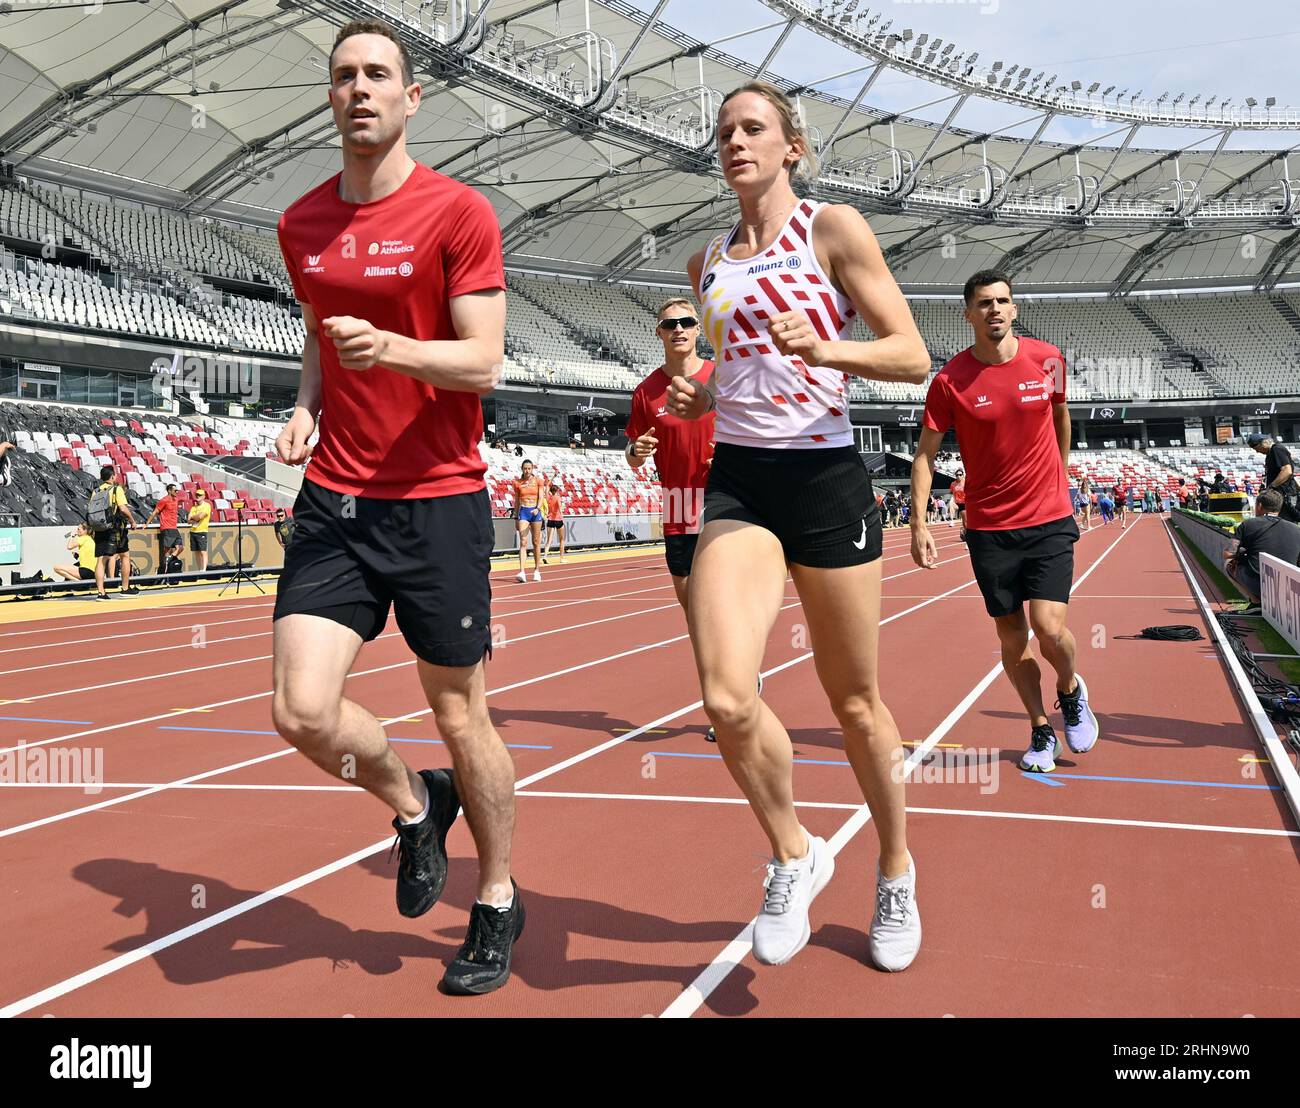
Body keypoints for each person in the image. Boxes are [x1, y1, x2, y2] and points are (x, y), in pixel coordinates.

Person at [270, 19, 522, 995]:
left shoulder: (458, 214)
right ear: (329, 98)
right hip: (334, 496)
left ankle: (495, 899)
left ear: (412, 99)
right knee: (299, 708)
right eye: (344, 76)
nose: (361, 89)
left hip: (438, 501)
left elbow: (485, 358)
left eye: (379, 74)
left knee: (462, 714)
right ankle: (418, 807)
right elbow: (315, 334)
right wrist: (304, 405)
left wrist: (397, 352)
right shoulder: (300, 224)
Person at [667, 80, 931, 971]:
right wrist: (693, 387)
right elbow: (725, 368)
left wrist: (828, 349)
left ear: (792, 148)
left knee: (855, 703)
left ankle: (894, 868)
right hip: (741, 481)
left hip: (825, 478)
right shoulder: (707, 260)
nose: (736, 141)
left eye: (754, 129)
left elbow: (911, 353)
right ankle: (793, 850)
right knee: (726, 698)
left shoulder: (832, 229)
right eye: (724, 131)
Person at [911, 269, 1100, 775]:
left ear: (1014, 309)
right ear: (969, 314)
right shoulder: (950, 380)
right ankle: (1040, 727)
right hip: (990, 529)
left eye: (1003, 301)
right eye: (985, 303)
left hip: (1049, 518)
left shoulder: (1048, 360)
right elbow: (925, 455)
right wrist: (919, 523)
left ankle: (1070, 688)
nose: (995, 309)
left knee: (1049, 627)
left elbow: (1061, 417)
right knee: (1013, 639)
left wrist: (1060, 478)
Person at [625, 297, 719, 736]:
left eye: (686, 322)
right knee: (695, 611)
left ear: (698, 329)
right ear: (659, 333)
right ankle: (727, 685)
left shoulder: (720, 377)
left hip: (724, 499)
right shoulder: (646, 392)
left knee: (723, 603)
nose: (678, 329)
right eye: (670, 324)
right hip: (678, 503)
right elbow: (632, 454)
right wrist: (635, 451)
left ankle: (727, 695)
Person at [1225, 489, 1300, 605]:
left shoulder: (1247, 524)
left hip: (1259, 584)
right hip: (1290, 586)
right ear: (1279, 508)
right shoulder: (1296, 529)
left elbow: (1227, 554)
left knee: (1229, 563)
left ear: (1259, 505)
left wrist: (1243, 553)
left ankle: (1256, 602)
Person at [1247, 433, 1300, 523]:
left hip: (1284, 494)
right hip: (1282, 494)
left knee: (1286, 522)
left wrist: (1271, 487)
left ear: (1263, 443)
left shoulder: (1277, 449)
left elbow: (1287, 471)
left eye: (1256, 448)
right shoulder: (1271, 453)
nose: (1257, 451)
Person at [512, 459, 545, 583]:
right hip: (524, 512)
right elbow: (516, 501)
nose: (527, 471)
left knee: (536, 542)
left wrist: (538, 508)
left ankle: (537, 570)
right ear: (522, 469)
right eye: (525, 468)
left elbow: (541, 497)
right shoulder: (517, 483)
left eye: (529, 468)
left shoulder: (538, 481)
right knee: (523, 541)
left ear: (532, 469)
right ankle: (522, 571)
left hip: (535, 513)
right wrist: (516, 516)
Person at [144, 484, 183, 582]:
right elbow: (154, 512)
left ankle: (168, 562)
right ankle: (164, 575)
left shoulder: (176, 500)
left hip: (174, 528)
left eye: (177, 491)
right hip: (166, 528)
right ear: (169, 491)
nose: (176, 492)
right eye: (175, 490)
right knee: (167, 551)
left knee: (180, 548)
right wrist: (146, 524)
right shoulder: (164, 500)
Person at [188, 488, 212, 572]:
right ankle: (199, 569)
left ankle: (204, 569)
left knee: (203, 551)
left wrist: (194, 517)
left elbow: (200, 517)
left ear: (204, 496)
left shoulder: (207, 506)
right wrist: (196, 517)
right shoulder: (193, 507)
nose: (198, 496)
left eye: (200, 495)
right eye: (197, 495)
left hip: (202, 530)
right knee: (196, 552)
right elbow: (188, 520)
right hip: (193, 531)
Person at [542, 482, 566, 563]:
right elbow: (559, 506)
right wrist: (562, 515)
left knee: (549, 540)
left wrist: (552, 478)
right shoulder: (557, 497)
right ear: (557, 491)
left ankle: (545, 556)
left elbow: (546, 487)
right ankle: (561, 558)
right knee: (562, 539)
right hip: (558, 519)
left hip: (550, 520)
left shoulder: (548, 497)